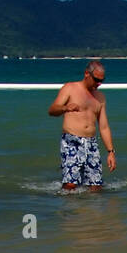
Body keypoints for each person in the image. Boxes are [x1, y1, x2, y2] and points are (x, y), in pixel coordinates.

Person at [48, 60, 116, 191]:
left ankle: (92, 211)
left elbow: (104, 127)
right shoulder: (70, 88)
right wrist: (65, 108)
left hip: (91, 144)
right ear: (86, 74)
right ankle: (69, 210)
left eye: (102, 80)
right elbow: (52, 110)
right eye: (96, 80)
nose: (99, 83)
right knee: (70, 185)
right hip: (72, 141)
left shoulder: (100, 97)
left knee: (96, 186)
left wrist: (111, 152)